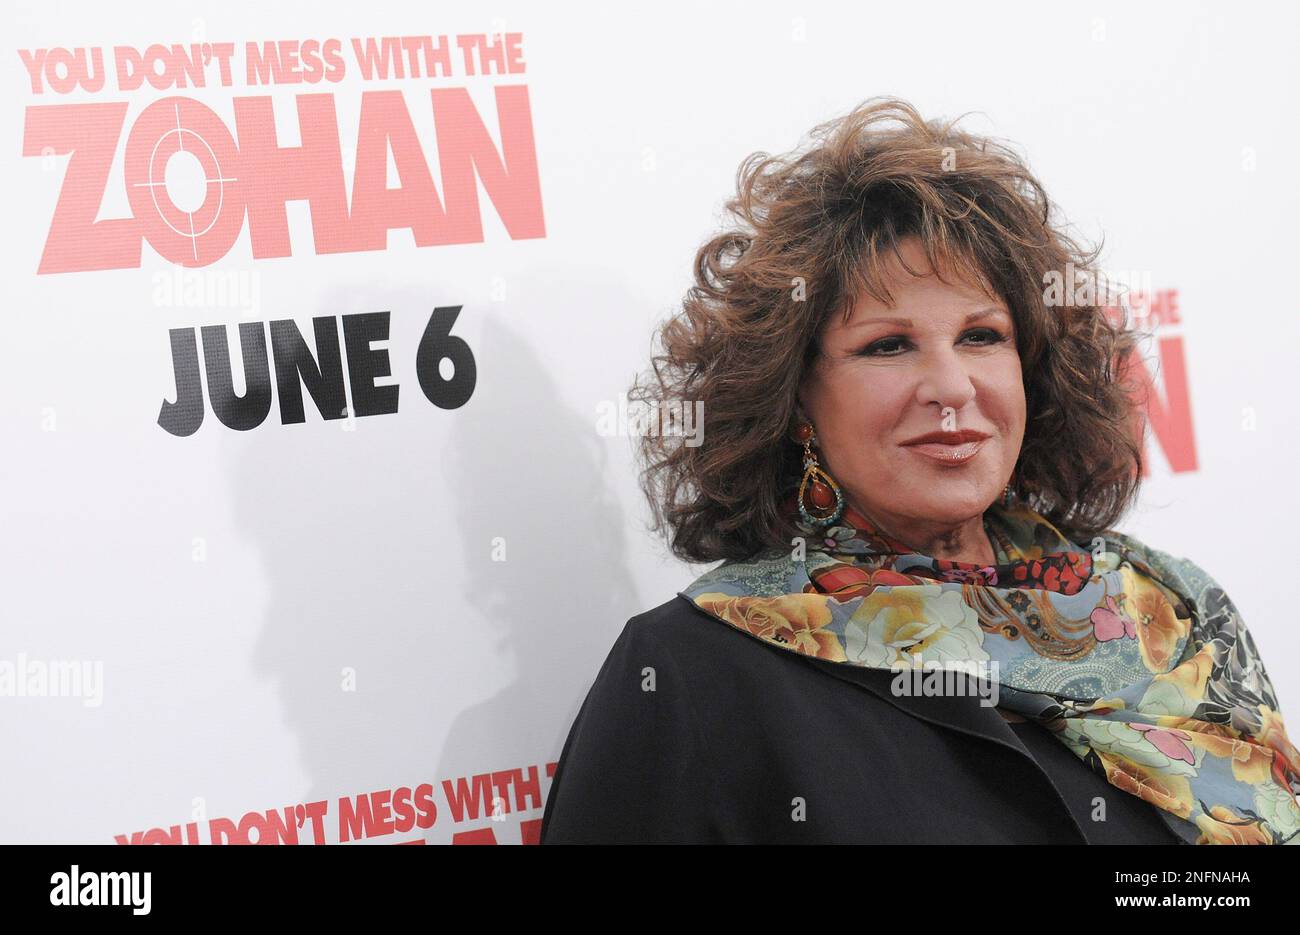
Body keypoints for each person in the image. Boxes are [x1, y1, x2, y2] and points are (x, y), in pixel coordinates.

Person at [540, 97, 1300, 845]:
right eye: (887, 345)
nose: (951, 387)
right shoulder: (692, 674)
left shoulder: (1170, 611)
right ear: (796, 393)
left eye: (981, 335)